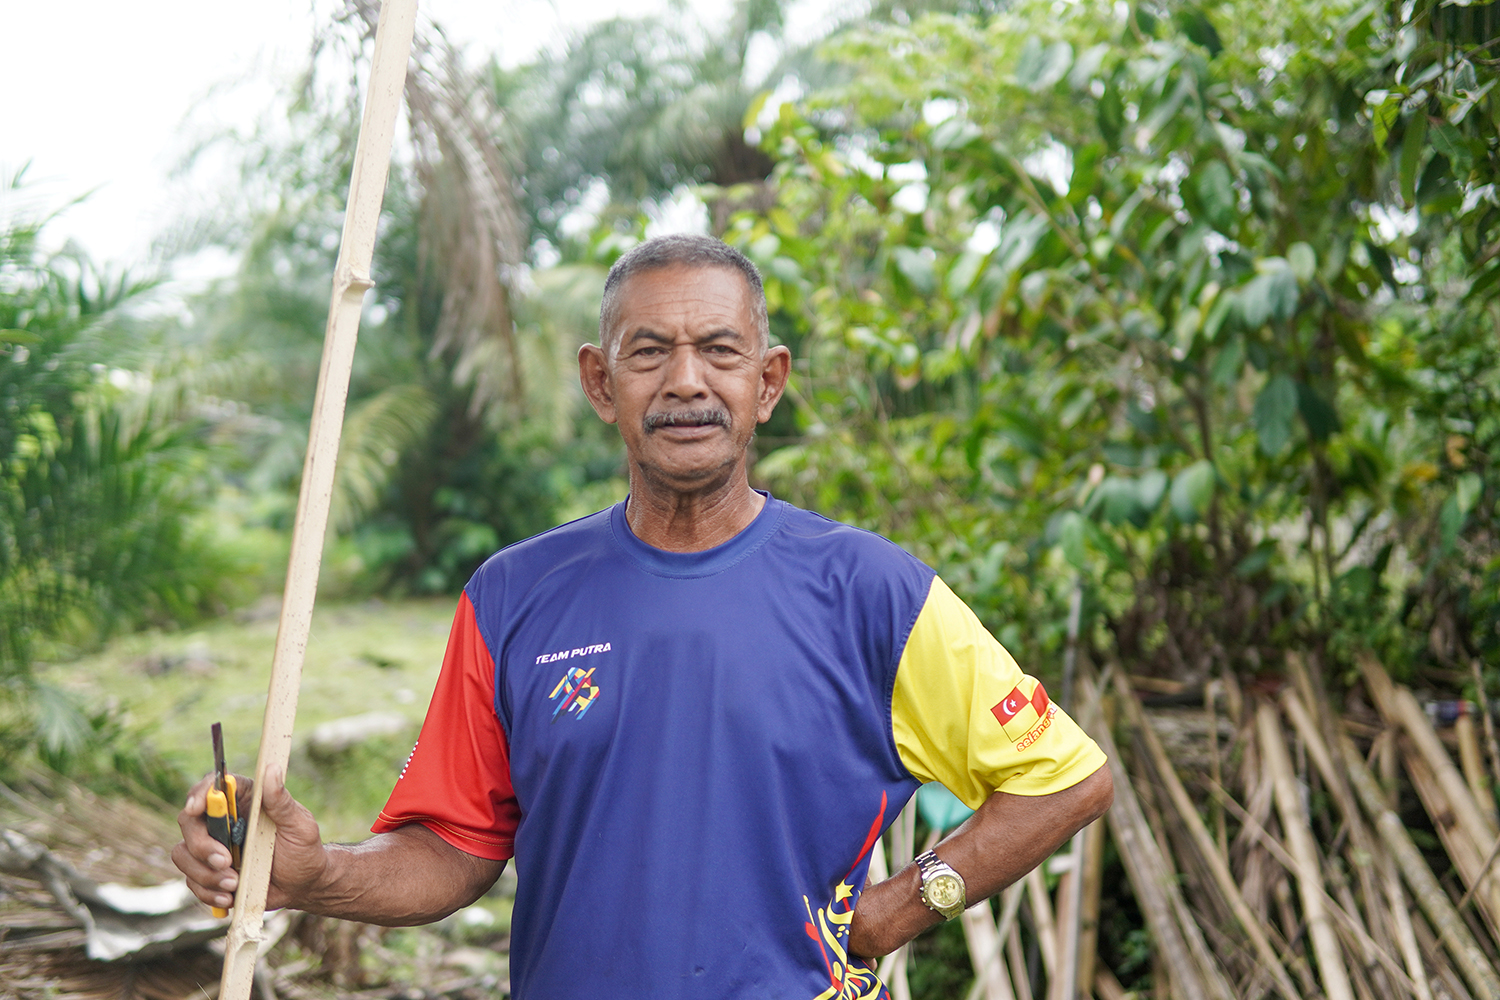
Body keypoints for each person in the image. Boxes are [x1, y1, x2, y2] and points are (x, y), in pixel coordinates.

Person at [175, 234, 1113, 999]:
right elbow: (452, 849)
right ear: (599, 382)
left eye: (720, 350)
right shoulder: (513, 597)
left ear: (770, 382)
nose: (686, 382)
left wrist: (894, 913)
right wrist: (311, 876)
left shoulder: (872, 592)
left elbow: (1064, 779)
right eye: (649, 352)